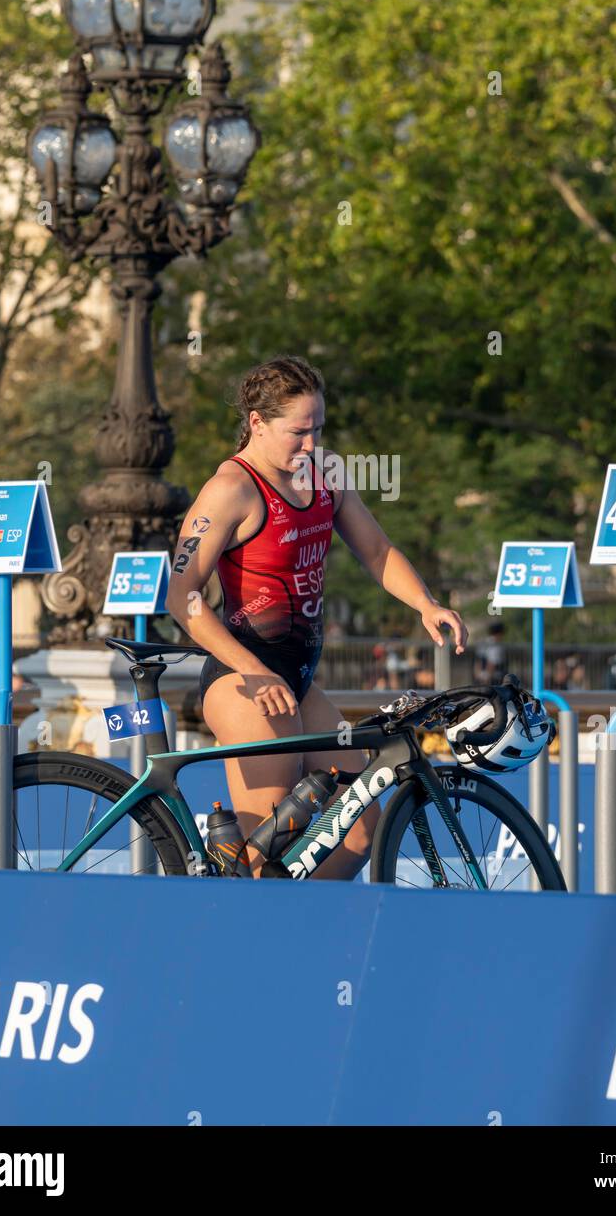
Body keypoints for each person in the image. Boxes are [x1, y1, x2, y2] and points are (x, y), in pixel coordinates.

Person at [166, 355, 467, 881]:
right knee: (269, 853)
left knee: (358, 830)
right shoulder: (231, 489)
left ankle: (294, 931)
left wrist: (426, 603)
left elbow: (376, 551)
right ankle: (242, 944)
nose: (311, 444)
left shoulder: (326, 473)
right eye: (298, 432)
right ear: (258, 423)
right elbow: (181, 597)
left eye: (319, 429)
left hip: (297, 681)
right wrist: (252, 671)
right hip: (246, 681)